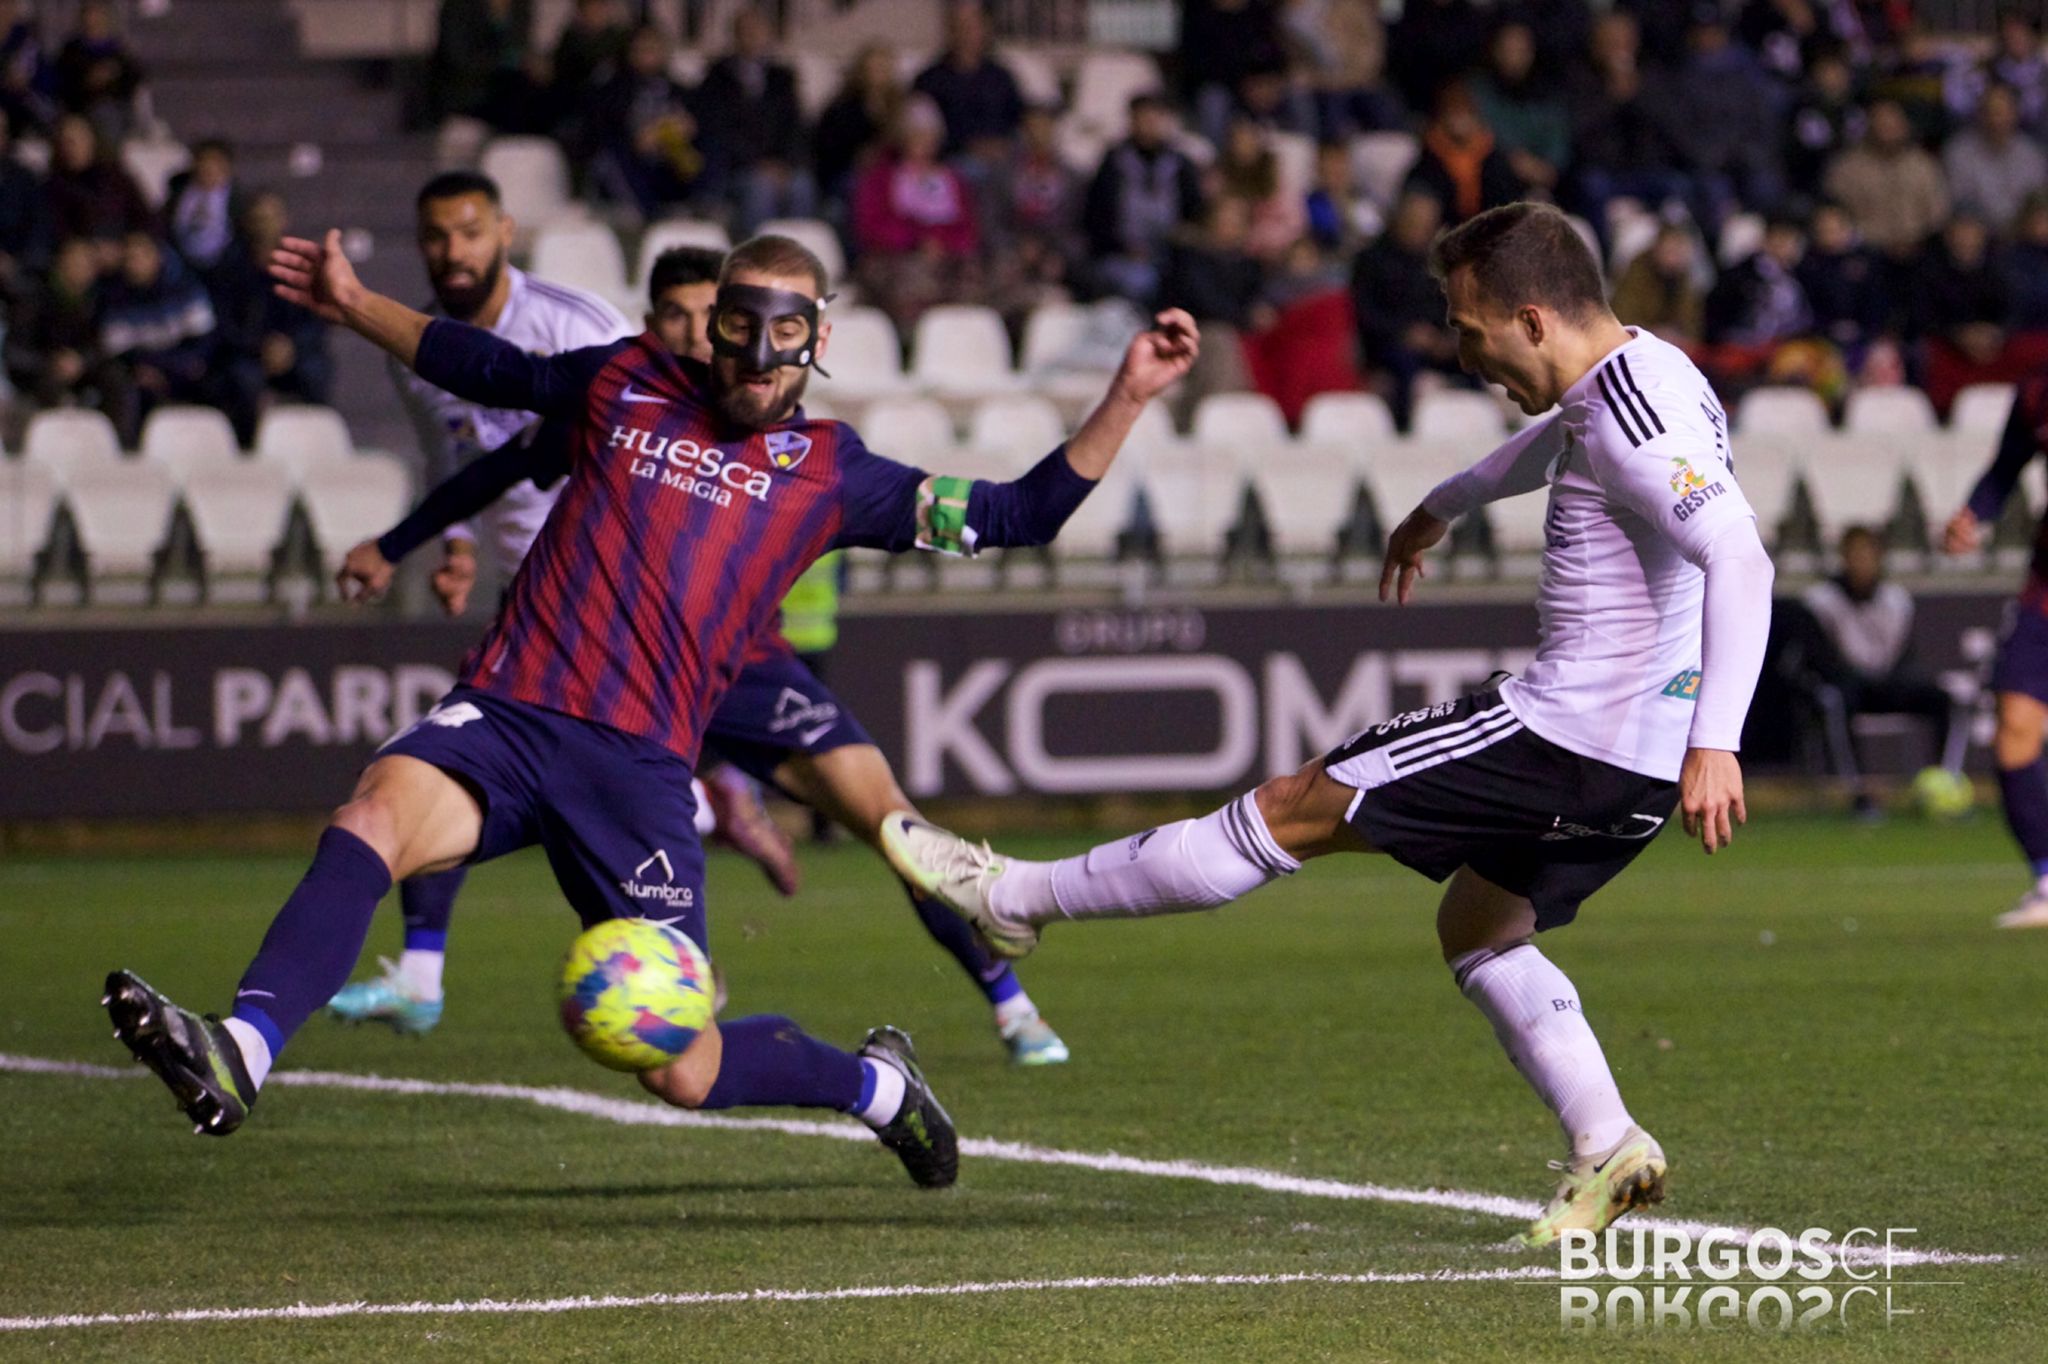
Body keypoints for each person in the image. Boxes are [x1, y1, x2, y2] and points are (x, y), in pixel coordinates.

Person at [102, 228, 1197, 1181]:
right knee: (371, 818)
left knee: (685, 1068)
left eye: (783, 336)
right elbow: (487, 366)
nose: (755, 358)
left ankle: (875, 1086)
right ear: (713, 327)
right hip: (512, 712)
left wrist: (1128, 395)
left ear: (817, 340)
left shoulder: (833, 472)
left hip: (636, 773)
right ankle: (242, 1048)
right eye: (738, 330)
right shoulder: (625, 378)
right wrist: (355, 304)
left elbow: (1017, 514)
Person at [883, 202, 1776, 1246]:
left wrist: (1720, 739)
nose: (1463, 354)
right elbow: (1561, 439)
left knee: (1289, 807)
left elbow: (1740, 556)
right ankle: (1607, 1141)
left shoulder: (1633, 420)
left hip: (1564, 733)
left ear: (1532, 320)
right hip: (1633, 767)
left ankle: (1010, 900)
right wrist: (1445, 502)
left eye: (1469, 330)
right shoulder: (1644, 372)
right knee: (1479, 929)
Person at [333, 243, 1073, 1065]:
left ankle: (1010, 1005)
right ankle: (437, 969)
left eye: (710, 316)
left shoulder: (809, 455)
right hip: (607, 673)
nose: (705, 334)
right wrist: (401, 544)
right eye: (684, 318)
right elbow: (497, 468)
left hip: (741, 669)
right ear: (663, 325)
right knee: (461, 753)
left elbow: (1005, 514)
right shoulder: (622, 400)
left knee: (895, 826)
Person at [1943, 363, 2048, 928]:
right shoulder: (2036, 392)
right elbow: (2007, 468)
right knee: (2014, 729)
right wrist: (1974, 516)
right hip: (2045, 592)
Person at [1794, 525, 1966, 813]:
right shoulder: (1820, 602)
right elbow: (1821, 660)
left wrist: (1889, 677)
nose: (1862, 563)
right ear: (1843, 558)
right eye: (1855, 555)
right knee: (1836, 700)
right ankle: (1858, 792)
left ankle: (1944, 782)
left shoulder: (1897, 601)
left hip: (1887, 683)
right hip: (1846, 685)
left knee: (1945, 700)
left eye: (1868, 555)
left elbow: (1904, 657)